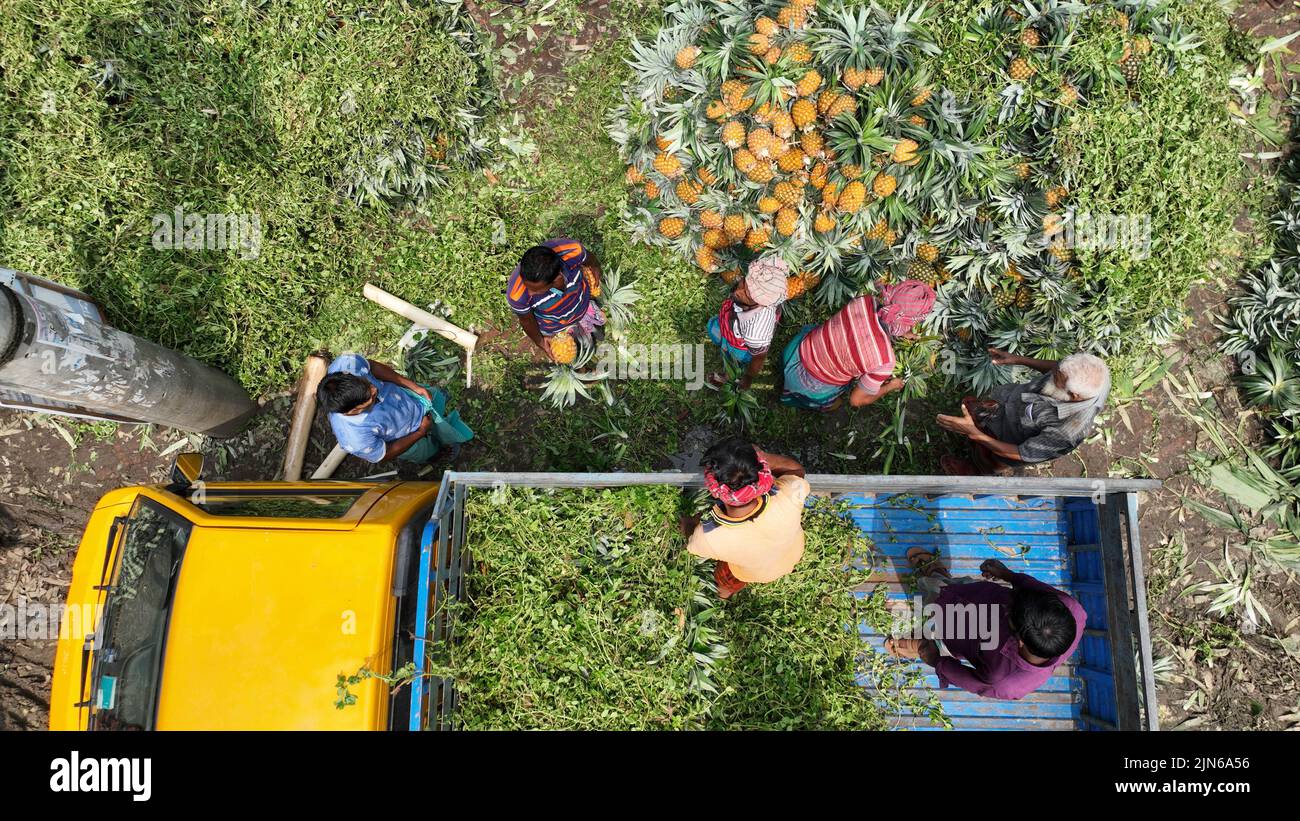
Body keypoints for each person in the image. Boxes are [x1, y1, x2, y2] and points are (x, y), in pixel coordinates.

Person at [886, 552, 1085, 701]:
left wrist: (934, 658)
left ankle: (918, 644)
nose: (1009, 606)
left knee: (931, 620)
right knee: (945, 587)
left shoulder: (1005, 681)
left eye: (1010, 612)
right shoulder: (1071, 610)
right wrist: (1008, 575)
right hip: (979, 594)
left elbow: (965, 678)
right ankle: (939, 575)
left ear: (1020, 641)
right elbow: (1033, 587)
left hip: (957, 634)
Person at [936, 349, 1110, 476]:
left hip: (1009, 441)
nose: (1052, 373)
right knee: (981, 421)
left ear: (1073, 396)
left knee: (990, 459)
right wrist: (1018, 359)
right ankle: (982, 423)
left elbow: (1020, 453)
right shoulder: (1091, 371)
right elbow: (1057, 367)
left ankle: (975, 470)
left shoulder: (1068, 431)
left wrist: (974, 434)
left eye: (1056, 377)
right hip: (1010, 406)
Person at [780, 280, 936, 412]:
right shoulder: (884, 361)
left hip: (795, 351)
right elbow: (856, 401)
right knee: (837, 404)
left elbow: (878, 320)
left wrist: (901, 331)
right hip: (811, 385)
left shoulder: (865, 301)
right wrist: (890, 387)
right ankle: (804, 398)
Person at [682, 438, 809, 600]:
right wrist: (762, 456)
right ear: (762, 472)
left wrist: (688, 521)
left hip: (755, 573)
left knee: (727, 578)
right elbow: (798, 471)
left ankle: (724, 591)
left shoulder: (708, 538)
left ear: (714, 491)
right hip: (792, 554)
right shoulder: (788, 494)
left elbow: (690, 536)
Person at [316, 353, 473, 466]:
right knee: (424, 450)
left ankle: (436, 422)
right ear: (351, 411)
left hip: (406, 398)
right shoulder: (355, 438)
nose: (374, 389)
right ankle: (436, 454)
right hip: (404, 436)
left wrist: (413, 386)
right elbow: (386, 453)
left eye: (367, 383)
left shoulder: (346, 365)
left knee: (434, 400)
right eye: (369, 398)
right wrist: (419, 432)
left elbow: (373, 367)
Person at [506, 238, 604, 361]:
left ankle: (587, 326)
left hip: (581, 305)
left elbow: (591, 261)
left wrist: (595, 273)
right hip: (554, 325)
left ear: (558, 278)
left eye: (536, 290)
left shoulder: (572, 251)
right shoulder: (517, 294)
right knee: (574, 355)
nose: (530, 293)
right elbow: (527, 321)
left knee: (594, 334)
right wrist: (541, 342)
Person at [707, 256, 788, 390]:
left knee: (731, 356)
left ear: (760, 302)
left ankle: (729, 374)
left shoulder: (756, 331)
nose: (738, 291)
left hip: (740, 346)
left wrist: (748, 378)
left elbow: (759, 357)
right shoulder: (757, 294)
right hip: (732, 324)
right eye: (744, 283)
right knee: (714, 326)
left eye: (747, 294)